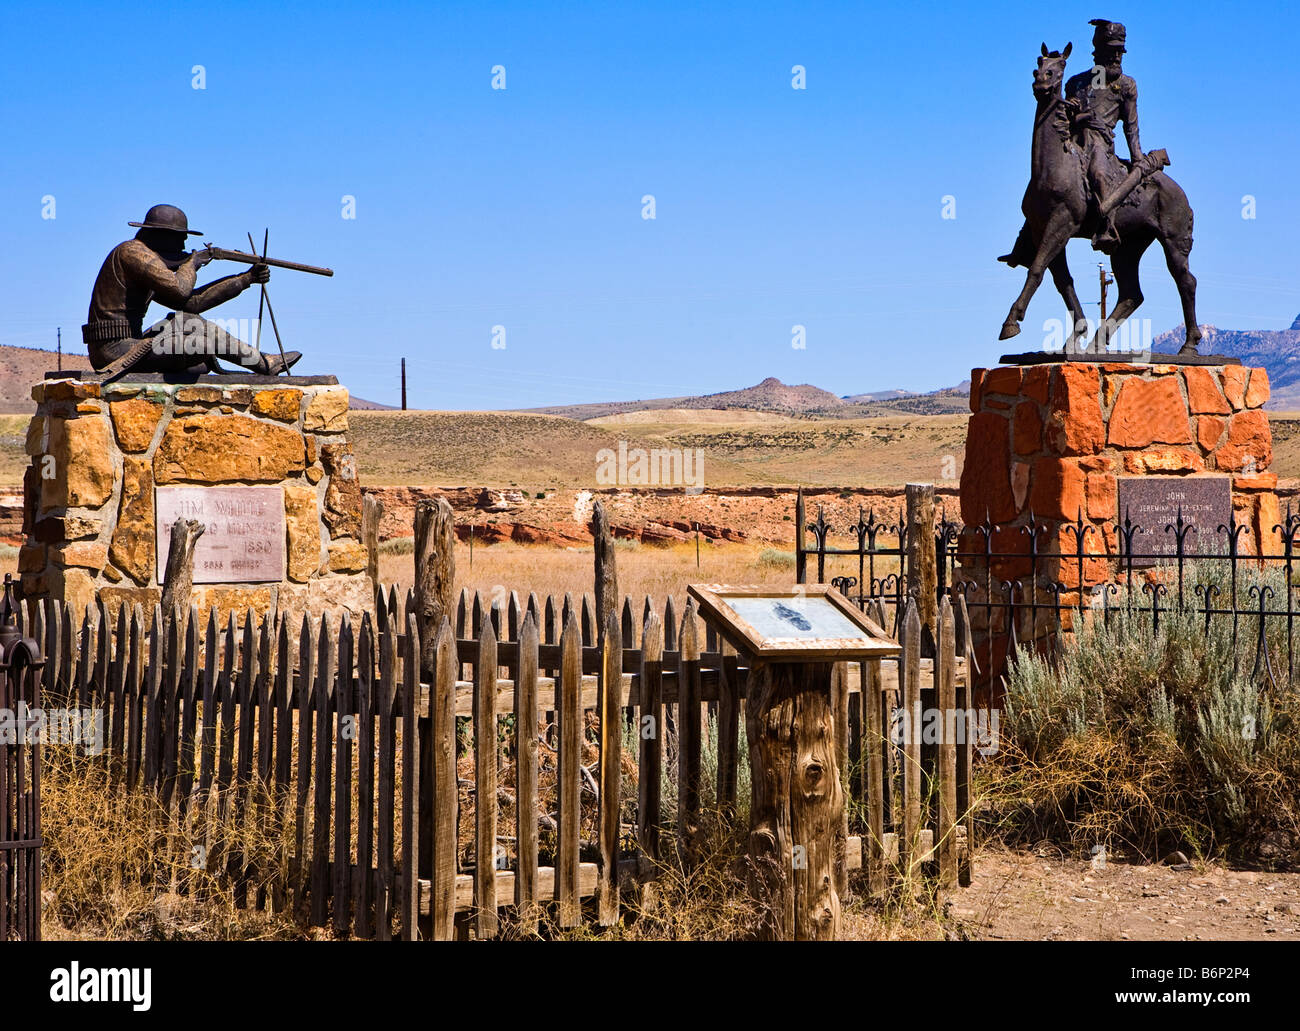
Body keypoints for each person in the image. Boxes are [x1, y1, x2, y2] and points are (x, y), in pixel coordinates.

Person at [82, 204, 301, 376]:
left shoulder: (147, 259)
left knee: (191, 322)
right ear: (161, 234)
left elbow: (193, 303)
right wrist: (192, 264)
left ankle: (264, 363)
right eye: (180, 235)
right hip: (114, 350)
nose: (184, 240)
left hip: (132, 344)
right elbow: (179, 290)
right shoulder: (132, 253)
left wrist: (246, 279)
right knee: (201, 346)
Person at [1064, 19, 1143, 253]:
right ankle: (1026, 240)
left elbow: (1131, 126)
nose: (1118, 57)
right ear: (1098, 52)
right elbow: (1065, 121)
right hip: (1075, 143)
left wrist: (1137, 156)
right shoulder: (1076, 83)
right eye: (1113, 51)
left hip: (1100, 145)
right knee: (1047, 177)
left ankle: (1107, 226)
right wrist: (1074, 114)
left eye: (1120, 51)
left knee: (1099, 172)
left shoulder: (1127, 85)